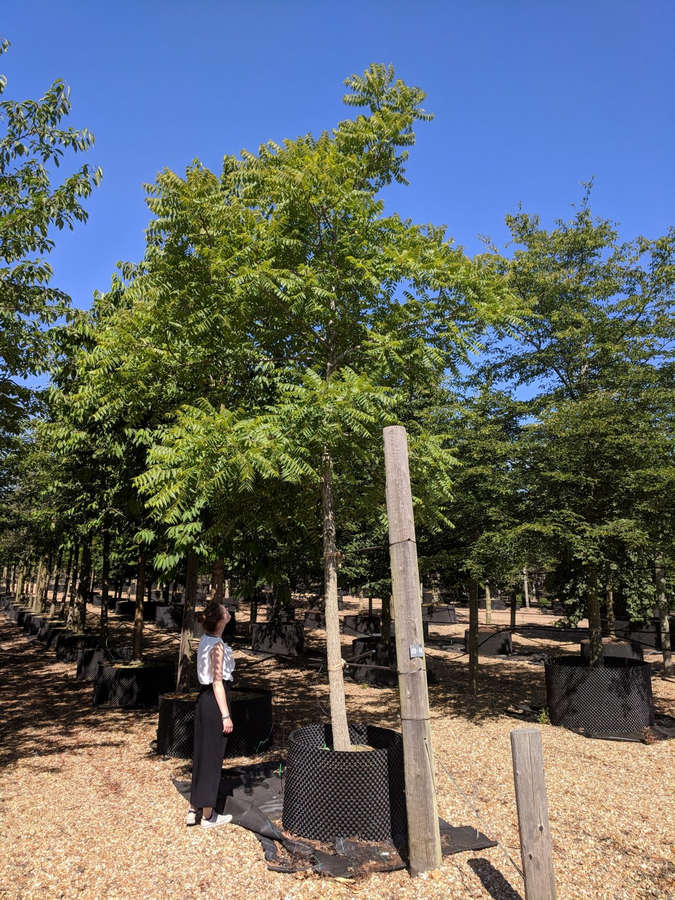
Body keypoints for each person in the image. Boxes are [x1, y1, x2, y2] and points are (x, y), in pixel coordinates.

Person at [186, 602, 235, 827]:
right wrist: (225, 715)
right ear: (220, 620)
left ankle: (193, 806)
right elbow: (217, 682)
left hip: (203, 700)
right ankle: (208, 815)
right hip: (215, 701)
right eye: (225, 611)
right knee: (212, 757)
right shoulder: (217, 645)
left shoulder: (206, 640)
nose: (229, 612)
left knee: (201, 752)